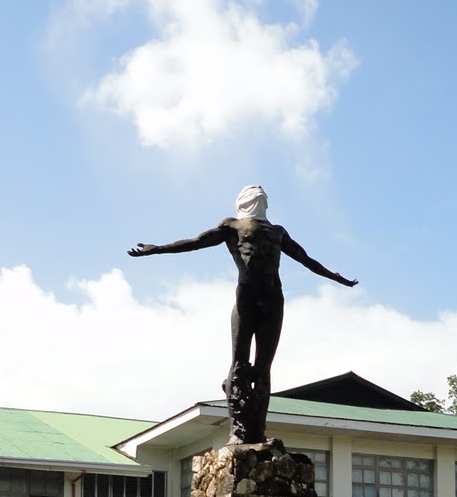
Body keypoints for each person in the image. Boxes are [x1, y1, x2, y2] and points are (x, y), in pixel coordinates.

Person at [127, 185, 358, 443]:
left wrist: (336, 278)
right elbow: (195, 243)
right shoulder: (232, 227)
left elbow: (307, 260)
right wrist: (157, 248)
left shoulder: (278, 232)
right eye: (254, 194)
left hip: (274, 300)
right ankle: (237, 430)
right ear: (242, 202)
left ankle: (258, 430)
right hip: (246, 298)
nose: (259, 196)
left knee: (263, 368)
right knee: (239, 365)